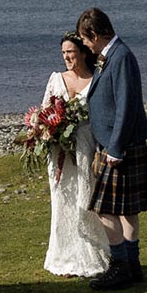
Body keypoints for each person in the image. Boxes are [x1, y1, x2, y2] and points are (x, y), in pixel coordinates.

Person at [77, 6, 147, 291]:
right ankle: (133, 266)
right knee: (126, 210)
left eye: (85, 39)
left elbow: (126, 105)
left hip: (118, 146)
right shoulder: (111, 55)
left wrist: (115, 148)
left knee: (104, 209)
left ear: (96, 35)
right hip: (116, 143)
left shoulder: (120, 56)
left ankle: (121, 266)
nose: (84, 45)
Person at [39, 34, 110, 278]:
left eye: (71, 52)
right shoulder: (56, 79)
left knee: (86, 200)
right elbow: (44, 112)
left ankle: (91, 256)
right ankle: (64, 257)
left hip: (86, 149)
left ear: (83, 52)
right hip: (60, 153)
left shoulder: (96, 79)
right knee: (63, 201)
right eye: (64, 53)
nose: (67, 57)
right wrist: (48, 131)